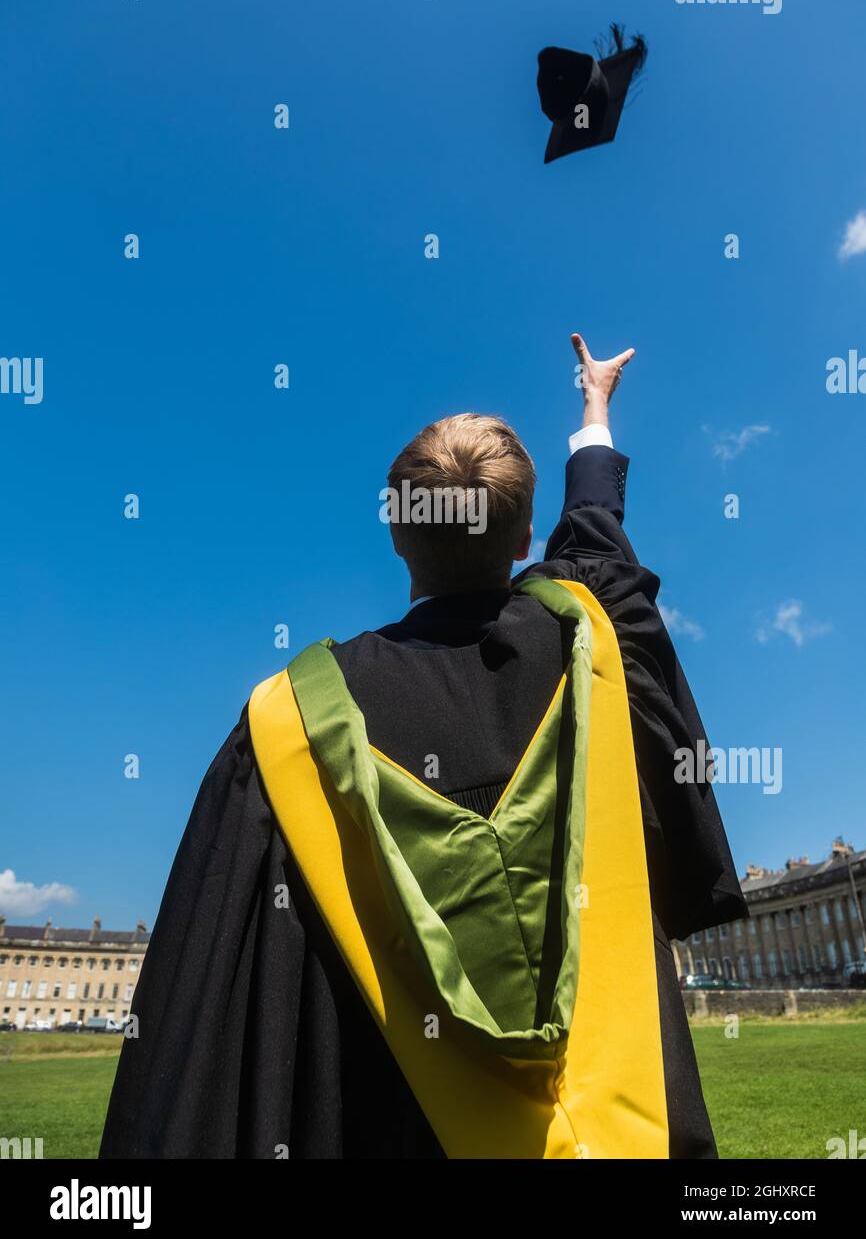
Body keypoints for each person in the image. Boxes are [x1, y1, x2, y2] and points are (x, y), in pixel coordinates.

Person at [100, 335, 747, 1160]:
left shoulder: (293, 723)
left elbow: (206, 1016)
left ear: (399, 538)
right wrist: (594, 411)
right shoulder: (594, 646)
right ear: (523, 544)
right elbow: (594, 539)